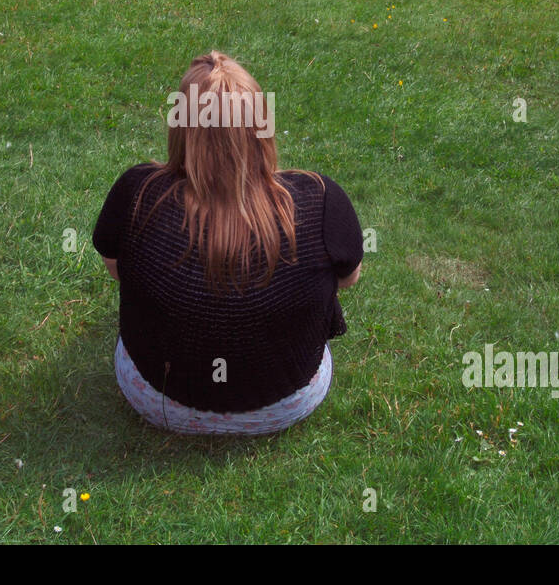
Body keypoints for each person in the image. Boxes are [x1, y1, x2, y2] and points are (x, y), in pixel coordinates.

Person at [93, 51, 364, 436]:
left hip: (158, 398)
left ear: (181, 127)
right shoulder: (319, 199)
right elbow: (348, 279)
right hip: (286, 402)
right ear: (261, 126)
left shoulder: (138, 192)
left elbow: (116, 270)